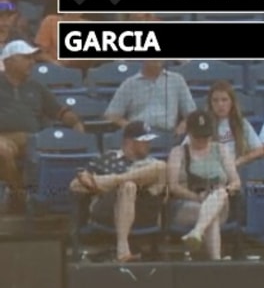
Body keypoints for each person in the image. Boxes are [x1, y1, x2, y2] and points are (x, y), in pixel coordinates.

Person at [1, 40, 83, 212]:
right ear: (9, 61)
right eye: (26, 58)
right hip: (3, 137)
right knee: (3, 150)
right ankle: (20, 196)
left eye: (32, 58)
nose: (32, 62)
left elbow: (59, 111)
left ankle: (41, 200)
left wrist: (75, 122)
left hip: (32, 138)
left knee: (42, 145)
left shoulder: (36, 86)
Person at [68, 122, 166, 263]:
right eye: (144, 141)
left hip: (142, 213)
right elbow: (75, 185)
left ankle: (122, 248)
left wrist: (109, 182)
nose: (149, 145)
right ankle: (123, 247)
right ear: (129, 142)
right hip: (108, 211)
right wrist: (96, 185)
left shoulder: (152, 163)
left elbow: (162, 180)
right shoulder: (107, 158)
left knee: (153, 172)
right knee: (128, 186)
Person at [165, 110, 239, 260]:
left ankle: (197, 232)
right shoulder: (178, 152)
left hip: (218, 199)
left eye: (206, 136)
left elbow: (236, 182)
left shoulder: (221, 150)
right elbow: (173, 186)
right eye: (198, 137)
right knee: (210, 215)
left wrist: (226, 189)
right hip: (187, 204)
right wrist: (197, 197)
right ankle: (216, 261)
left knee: (216, 199)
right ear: (189, 133)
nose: (202, 140)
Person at [103, 60, 196, 136]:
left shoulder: (177, 80)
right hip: (139, 135)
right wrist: (129, 127)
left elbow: (191, 113)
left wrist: (183, 125)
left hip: (168, 135)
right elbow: (111, 115)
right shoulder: (130, 84)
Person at [206, 80, 264, 168]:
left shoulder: (241, 123)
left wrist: (240, 160)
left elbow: (259, 150)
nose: (220, 104)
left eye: (224, 100)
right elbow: (186, 148)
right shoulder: (203, 124)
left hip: (238, 168)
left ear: (232, 102)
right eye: (215, 100)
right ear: (210, 103)